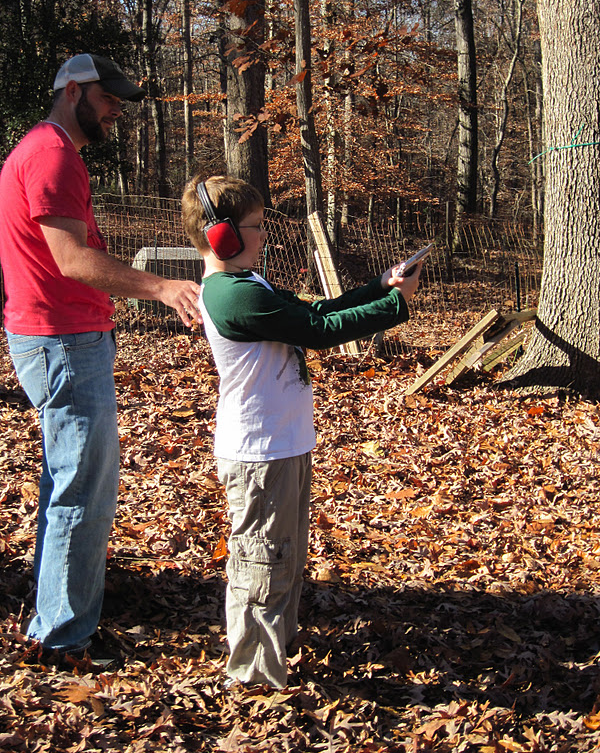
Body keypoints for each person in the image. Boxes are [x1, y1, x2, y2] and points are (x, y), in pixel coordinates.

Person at [181, 174, 423, 689]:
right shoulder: (230, 295)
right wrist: (394, 306)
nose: (264, 235)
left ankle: (278, 646)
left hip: (282, 443)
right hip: (258, 451)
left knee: (284, 557)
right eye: (255, 226)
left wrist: (379, 287)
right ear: (222, 235)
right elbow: (317, 332)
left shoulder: (249, 284)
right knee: (262, 562)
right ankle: (253, 675)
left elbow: (312, 312)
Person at [0, 53, 202, 663]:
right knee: (82, 493)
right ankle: (64, 639)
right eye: (108, 97)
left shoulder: (47, 150)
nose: (116, 109)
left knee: (69, 484)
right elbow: (72, 260)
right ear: (72, 91)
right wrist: (161, 287)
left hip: (62, 337)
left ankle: (56, 619)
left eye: (119, 100)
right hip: (62, 340)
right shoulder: (51, 154)